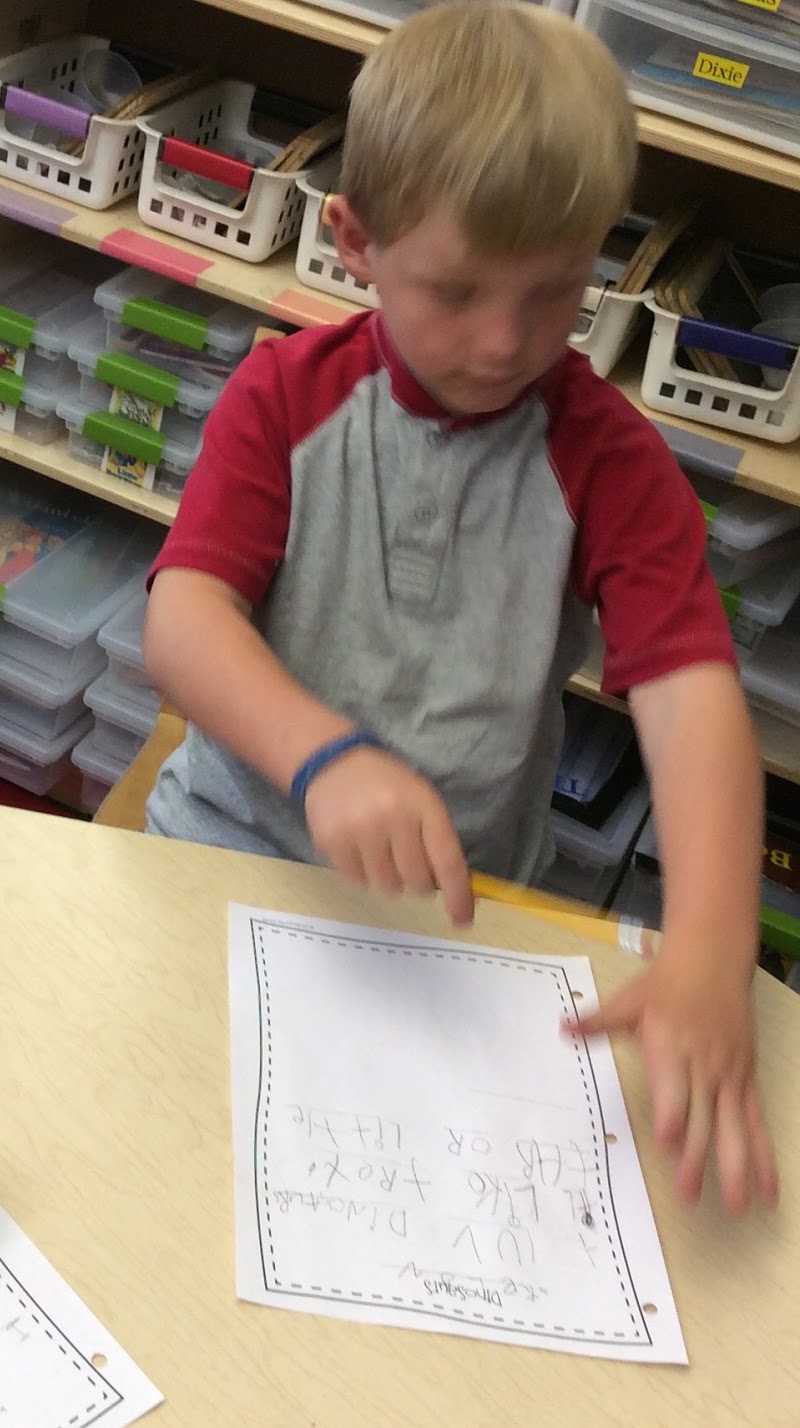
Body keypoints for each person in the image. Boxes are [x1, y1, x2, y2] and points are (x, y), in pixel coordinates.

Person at [142, 2, 777, 1213]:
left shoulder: (608, 457)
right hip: (228, 858)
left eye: (553, 295)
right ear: (355, 240)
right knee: (175, 1165)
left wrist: (708, 945)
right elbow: (182, 622)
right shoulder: (283, 396)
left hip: (458, 909)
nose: (503, 342)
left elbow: (695, 708)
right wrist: (323, 759)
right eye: (457, 290)